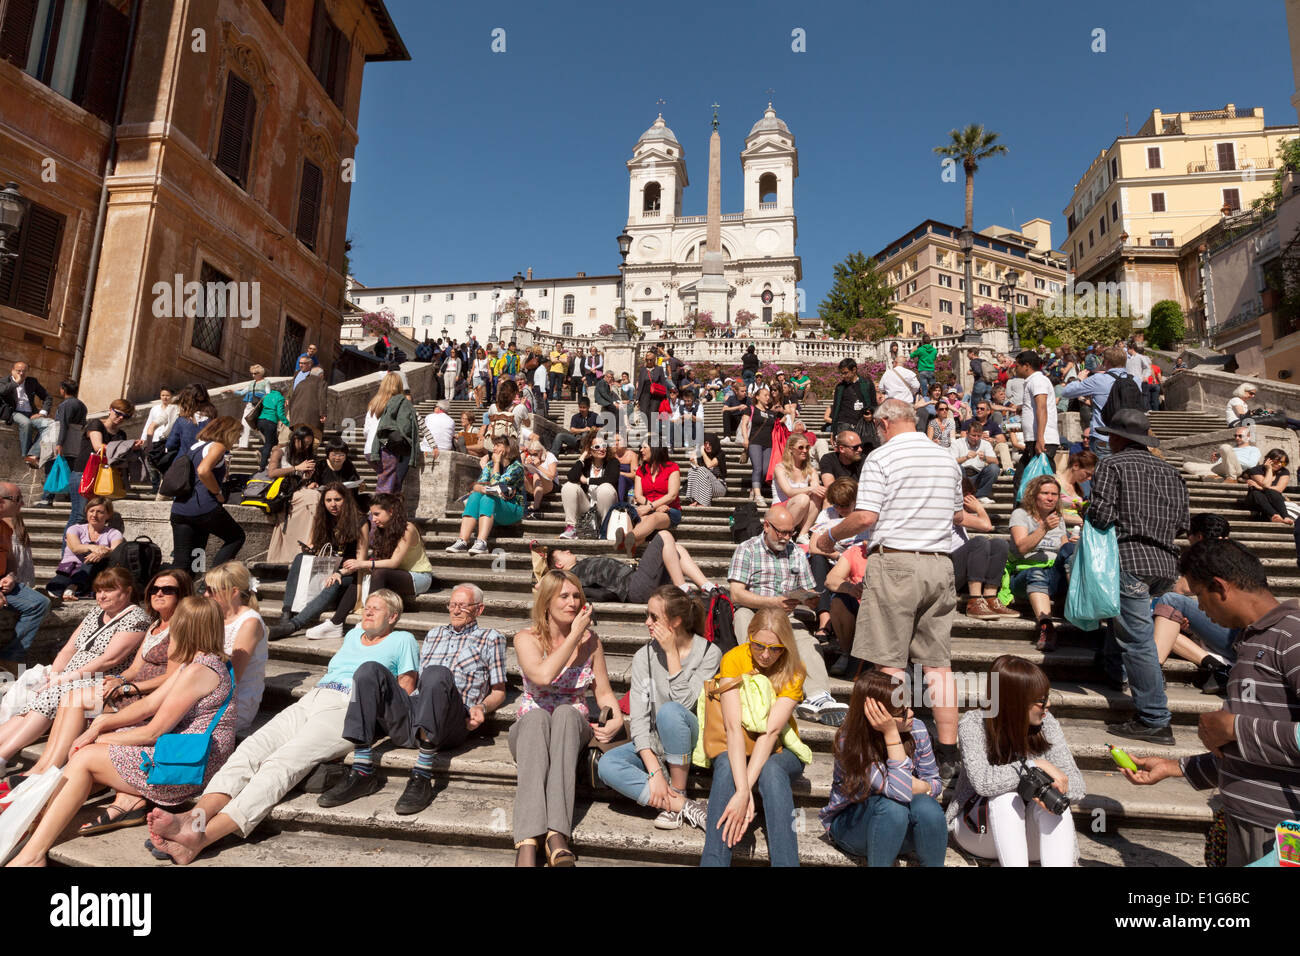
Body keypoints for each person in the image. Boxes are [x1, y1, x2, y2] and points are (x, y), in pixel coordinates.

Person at [143, 591, 419, 864]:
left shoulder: (402, 640)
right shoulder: (352, 635)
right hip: (315, 697)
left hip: (350, 706)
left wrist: (370, 725)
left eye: (376, 609)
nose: (367, 612)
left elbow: (403, 694)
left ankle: (203, 838)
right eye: (366, 607)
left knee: (281, 762)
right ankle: (194, 819)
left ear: (393, 616)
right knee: (251, 748)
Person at [7, 597, 237, 867]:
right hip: (179, 752)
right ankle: (36, 829)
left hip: (186, 767)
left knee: (85, 758)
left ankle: (33, 853)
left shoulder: (199, 669)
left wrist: (99, 738)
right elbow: (149, 704)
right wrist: (100, 725)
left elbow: (153, 731)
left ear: (187, 628)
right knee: (87, 745)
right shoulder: (197, 662)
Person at [1124, 539, 1300, 864]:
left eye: (1200, 596)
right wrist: (1176, 767)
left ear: (1220, 587)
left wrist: (1235, 727)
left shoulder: (1293, 636)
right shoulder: (1251, 642)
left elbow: (1241, 734)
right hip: (1246, 819)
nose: (1200, 610)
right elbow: (1248, 749)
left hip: (1283, 832)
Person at [815, 398, 963, 786]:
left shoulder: (882, 458)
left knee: (891, 663)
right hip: (940, 562)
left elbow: (865, 517)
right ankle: (948, 753)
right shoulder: (946, 457)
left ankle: (896, 741)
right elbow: (957, 514)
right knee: (938, 665)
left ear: (882, 425)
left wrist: (828, 535)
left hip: (897, 561)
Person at [319, 583, 507, 815]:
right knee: (369, 670)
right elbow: (415, 684)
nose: (456, 610)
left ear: (479, 610)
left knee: (437, 673)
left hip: (452, 719)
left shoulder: (491, 638)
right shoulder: (434, 634)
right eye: (452, 605)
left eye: (463, 606)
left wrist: (482, 707)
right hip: (416, 712)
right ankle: (362, 771)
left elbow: (499, 691)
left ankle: (421, 775)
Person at [22, 569, 193, 801]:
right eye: (154, 589)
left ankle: (49, 769)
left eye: (168, 590)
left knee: (79, 699)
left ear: (182, 595)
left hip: (150, 699)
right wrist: (119, 680)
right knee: (73, 696)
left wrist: (128, 688)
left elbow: (172, 678)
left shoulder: (181, 628)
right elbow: (134, 669)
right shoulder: (155, 625)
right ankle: (45, 766)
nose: (158, 593)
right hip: (131, 692)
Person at [1088, 409, 1189, 746]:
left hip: (1130, 557)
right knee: (1127, 623)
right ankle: (1109, 668)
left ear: (1119, 438)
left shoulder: (1112, 465)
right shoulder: (1171, 472)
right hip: (1165, 564)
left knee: (1137, 639)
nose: (1107, 440)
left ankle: (1155, 719)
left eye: (1110, 435)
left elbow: (1101, 516)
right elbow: (1183, 525)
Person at [510, 570, 623, 866]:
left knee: (564, 713)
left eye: (576, 596)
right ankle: (528, 841)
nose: (572, 602)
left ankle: (556, 833)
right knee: (537, 719)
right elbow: (544, 676)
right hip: (530, 731)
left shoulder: (591, 642)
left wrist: (617, 718)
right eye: (564, 596)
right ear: (546, 602)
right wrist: (574, 636)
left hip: (571, 727)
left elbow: (604, 693)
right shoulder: (526, 638)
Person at [0, 567, 148, 776]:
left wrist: (64, 679)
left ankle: (4, 755)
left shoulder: (136, 618)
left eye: (109, 590)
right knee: (36, 692)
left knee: (51, 694)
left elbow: (110, 659)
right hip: (71, 676)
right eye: (98, 591)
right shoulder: (97, 612)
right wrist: (55, 674)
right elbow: (70, 648)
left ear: (128, 591)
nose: (102, 596)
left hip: (98, 681)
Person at [597, 586, 719, 829]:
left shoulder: (709, 653)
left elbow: (686, 704)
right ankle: (680, 805)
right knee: (607, 765)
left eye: (654, 617)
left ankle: (678, 787)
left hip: (691, 744)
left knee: (671, 712)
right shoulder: (644, 656)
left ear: (676, 621)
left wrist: (672, 653)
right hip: (655, 744)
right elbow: (640, 719)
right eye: (647, 615)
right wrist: (653, 770)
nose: (647, 622)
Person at [946, 655, 1084, 867]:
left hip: (1031, 834)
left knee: (1053, 803)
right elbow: (984, 782)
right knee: (1005, 799)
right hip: (979, 829)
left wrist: (1051, 787)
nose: (1048, 704)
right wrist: (1033, 766)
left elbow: (1077, 787)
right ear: (1015, 701)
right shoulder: (974, 724)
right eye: (1041, 699)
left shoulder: (1047, 725)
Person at [699, 609, 813, 867]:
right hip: (736, 741)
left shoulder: (795, 668)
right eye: (759, 645)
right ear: (749, 636)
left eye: (775, 648)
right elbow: (732, 727)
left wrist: (743, 791)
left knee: (772, 771)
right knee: (728, 765)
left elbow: (771, 733)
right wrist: (742, 791)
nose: (765, 654)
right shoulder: (734, 659)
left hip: (780, 748)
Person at [729, 503, 847, 725]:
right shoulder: (747, 549)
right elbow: (736, 594)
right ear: (766, 526)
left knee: (806, 641)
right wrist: (773, 602)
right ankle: (759, 688)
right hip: (752, 611)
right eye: (780, 531)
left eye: (790, 532)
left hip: (786, 615)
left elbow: (810, 589)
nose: (785, 537)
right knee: (748, 628)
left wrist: (811, 599)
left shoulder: (796, 553)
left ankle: (817, 696)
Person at [820, 669, 946, 866]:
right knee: (893, 808)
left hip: (899, 829)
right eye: (902, 713)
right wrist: (891, 735)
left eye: (909, 707)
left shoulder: (917, 728)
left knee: (928, 808)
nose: (911, 714)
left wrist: (924, 787)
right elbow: (899, 793)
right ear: (876, 716)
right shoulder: (851, 741)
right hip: (854, 826)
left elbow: (934, 782)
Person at [317, 493, 435, 638]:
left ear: (391, 511)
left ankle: (366, 619)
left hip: (419, 577)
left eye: (377, 514)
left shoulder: (407, 529)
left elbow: (393, 563)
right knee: (362, 572)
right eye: (372, 515)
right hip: (396, 574)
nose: (374, 519)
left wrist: (361, 562)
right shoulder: (383, 530)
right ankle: (336, 622)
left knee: (379, 573)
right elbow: (377, 561)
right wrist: (341, 572)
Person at [271, 483, 364, 640]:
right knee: (300, 558)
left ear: (346, 500)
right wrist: (309, 550)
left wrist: (340, 572)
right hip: (325, 566)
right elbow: (313, 544)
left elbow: (360, 561)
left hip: (348, 572)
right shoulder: (322, 518)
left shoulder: (360, 522)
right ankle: (286, 613)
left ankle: (293, 625)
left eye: (337, 499)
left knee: (334, 580)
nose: (332, 504)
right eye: (328, 500)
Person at [541, 529, 717, 601]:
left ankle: (707, 586)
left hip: (635, 581)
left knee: (676, 548)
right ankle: (682, 587)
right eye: (562, 553)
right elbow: (551, 585)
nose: (568, 551)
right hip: (633, 586)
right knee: (663, 535)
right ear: (558, 564)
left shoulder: (580, 568)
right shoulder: (571, 577)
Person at [168, 416, 245, 572]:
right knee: (236, 537)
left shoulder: (195, 446)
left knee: (185, 559)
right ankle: (210, 582)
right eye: (238, 434)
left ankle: (181, 590)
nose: (237, 439)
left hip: (181, 509)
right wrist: (217, 492)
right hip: (204, 507)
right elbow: (203, 470)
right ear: (229, 432)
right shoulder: (218, 446)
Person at [204, 561, 268, 737]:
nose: (205, 594)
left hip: (234, 700)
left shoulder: (250, 622)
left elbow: (233, 676)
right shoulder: (215, 615)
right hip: (207, 689)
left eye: (212, 590)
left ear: (233, 592)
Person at [1008, 475, 1071, 650]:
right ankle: (1047, 627)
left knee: (1070, 550)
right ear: (1034, 495)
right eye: (1045, 493)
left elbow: (1064, 550)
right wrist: (1043, 528)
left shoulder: (1058, 518)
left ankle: (1073, 602)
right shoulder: (1020, 514)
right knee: (1036, 572)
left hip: (1053, 575)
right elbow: (1021, 547)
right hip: (1023, 576)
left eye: (1054, 494)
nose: (1050, 498)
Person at [0, 482, 50, 675]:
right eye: (17, 499)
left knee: (39, 603)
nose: (22, 504)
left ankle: (10, 658)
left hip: (4, 582)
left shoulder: (5, 528)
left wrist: (11, 575)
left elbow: (11, 559)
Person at [68, 398, 139, 532]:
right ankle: (68, 551)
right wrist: (127, 447)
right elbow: (98, 447)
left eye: (125, 416)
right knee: (79, 516)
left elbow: (119, 456)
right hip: (84, 474)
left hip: (103, 478)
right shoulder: (96, 424)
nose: (120, 418)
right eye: (118, 413)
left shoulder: (121, 434)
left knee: (96, 517)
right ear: (110, 410)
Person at [447, 435, 525, 554]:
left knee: (488, 497)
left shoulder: (516, 467)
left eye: (498, 445)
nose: (494, 448)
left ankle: (481, 542)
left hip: (513, 509)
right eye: (494, 445)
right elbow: (477, 485)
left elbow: (496, 484)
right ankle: (462, 540)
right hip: (493, 510)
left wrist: (497, 463)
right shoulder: (489, 465)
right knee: (474, 496)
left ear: (509, 448)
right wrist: (481, 489)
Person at [45, 496, 124, 600]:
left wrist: (103, 553)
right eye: (91, 511)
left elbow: (116, 551)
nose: (94, 515)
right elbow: (75, 548)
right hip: (70, 569)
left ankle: (73, 587)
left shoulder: (113, 533)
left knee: (93, 560)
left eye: (100, 512)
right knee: (56, 584)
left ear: (108, 515)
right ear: (87, 512)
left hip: (95, 571)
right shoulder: (74, 529)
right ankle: (60, 592)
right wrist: (95, 548)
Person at [1060, 346, 1131, 460]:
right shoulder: (1134, 380)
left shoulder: (1099, 379)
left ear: (1106, 362)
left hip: (1104, 437)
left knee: (1102, 474)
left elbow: (1067, 392)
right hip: (1128, 438)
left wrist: (1079, 379)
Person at [1011, 349, 1059, 492]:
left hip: (1041, 440)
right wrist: (1022, 408)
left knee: (1038, 484)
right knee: (1021, 481)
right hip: (1033, 440)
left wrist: (1040, 438)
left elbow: (1042, 407)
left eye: (1017, 365)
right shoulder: (1033, 381)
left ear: (1026, 365)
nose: (1015, 369)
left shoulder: (1037, 380)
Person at [38, 379, 87, 508]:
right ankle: (74, 500)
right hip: (75, 441)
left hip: (64, 439)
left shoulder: (66, 405)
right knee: (69, 469)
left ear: (63, 390)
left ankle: (46, 498)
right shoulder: (82, 405)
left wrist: (60, 443)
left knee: (52, 467)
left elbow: (63, 425)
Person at [367, 372, 418, 495]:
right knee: (386, 490)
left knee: (392, 486)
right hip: (387, 448)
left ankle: (392, 513)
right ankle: (376, 514)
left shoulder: (374, 402)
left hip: (370, 448)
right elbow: (404, 427)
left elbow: (366, 430)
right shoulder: (399, 402)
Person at [560, 435, 618, 539]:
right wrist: (582, 458)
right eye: (597, 447)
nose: (602, 449)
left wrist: (586, 480)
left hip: (605, 507)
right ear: (590, 450)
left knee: (605, 488)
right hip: (588, 508)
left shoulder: (613, 462)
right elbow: (571, 477)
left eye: (604, 445)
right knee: (569, 486)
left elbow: (611, 479)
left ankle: (605, 529)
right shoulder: (586, 464)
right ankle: (571, 528)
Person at [629, 441, 681, 553]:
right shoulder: (641, 470)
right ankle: (631, 548)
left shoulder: (672, 467)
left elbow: (672, 495)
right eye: (640, 448)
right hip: (649, 509)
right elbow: (638, 495)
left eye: (644, 447)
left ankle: (626, 538)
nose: (641, 450)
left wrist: (651, 507)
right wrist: (653, 507)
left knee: (653, 518)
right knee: (642, 521)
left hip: (670, 510)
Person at [772, 431, 824, 542]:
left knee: (817, 496)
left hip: (802, 511)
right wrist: (811, 488)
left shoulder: (810, 470)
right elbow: (789, 492)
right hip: (781, 510)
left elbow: (816, 489)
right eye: (800, 447)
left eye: (807, 447)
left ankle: (803, 534)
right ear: (790, 449)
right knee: (803, 498)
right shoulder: (780, 468)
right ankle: (786, 532)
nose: (805, 451)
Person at [1, 360, 53, 461]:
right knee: (26, 423)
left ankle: (33, 453)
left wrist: (42, 413)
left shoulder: (32, 382)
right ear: (12, 371)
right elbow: (2, 391)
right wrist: (16, 382)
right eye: (18, 371)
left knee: (51, 424)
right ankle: (26, 455)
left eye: (24, 371)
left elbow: (47, 397)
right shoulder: (4, 381)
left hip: (31, 414)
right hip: (14, 412)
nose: (21, 373)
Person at [739, 387, 778, 506]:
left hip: (769, 444)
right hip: (754, 442)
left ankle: (754, 487)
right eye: (765, 395)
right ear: (757, 396)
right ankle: (758, 495)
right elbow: (744, 424)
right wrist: (745, 439)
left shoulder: (771, 413)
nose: (768, 397)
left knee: (766, 470)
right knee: (758, 468)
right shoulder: (750, 409)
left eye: (768, 395)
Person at [1181, 425, 1260, 481]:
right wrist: (1222, 457)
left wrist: (1230, 457)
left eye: (1240, 436)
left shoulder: (1253, 449)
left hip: (1236, 469)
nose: (1237, 438)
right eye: (1235, 435)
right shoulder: (1232, 449)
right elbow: (1224, 460)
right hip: (1220, 467)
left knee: (1225, 447)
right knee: (1187, 465)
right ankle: (1215, 476)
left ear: (1248, 437)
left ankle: (1232, 478)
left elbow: (1251, 465)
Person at [141, 385, 179, 493]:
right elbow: (149, 424)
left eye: (167, 395)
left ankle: (163, 486)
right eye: (162, 395)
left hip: (166, 441)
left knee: (164, 463)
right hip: (153, 440)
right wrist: (144, 439)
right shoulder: (155, 409)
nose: (165, 398)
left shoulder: (175, 409)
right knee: (150, 462)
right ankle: (155, 484)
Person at [951, 420, 999, 503]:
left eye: (978, 436)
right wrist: (966, 457)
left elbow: (996, 461)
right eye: (973, 435)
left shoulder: (985, 444)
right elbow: (951, 461)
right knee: (957, 466)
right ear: (967, 433)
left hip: (978, 475)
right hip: (963, 474)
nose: (976, 438)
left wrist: (984, 458)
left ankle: (981, 495)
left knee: (994, 468)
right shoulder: (957, 443)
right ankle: (963, 494)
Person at [1242, 448, 1293, 525]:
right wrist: (1269, 469)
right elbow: (1266, 485)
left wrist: (1259, 487)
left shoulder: (1284, 472)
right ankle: (1275, 515)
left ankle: (1285, 516)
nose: (1279, 465)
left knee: (1272, 492)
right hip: (1254, 501)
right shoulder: (1256, 470)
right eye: (1277, 461)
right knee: (1256, 493)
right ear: (1269, 459)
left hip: (1273, 500)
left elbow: (1279, 489)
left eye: (1283, 463)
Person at [684, 432, 728, 507]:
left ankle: (705, 503)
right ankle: (695, 500)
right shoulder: (701, 456)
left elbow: (709, 465)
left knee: (701, 469)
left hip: (720, 487)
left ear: (714, 444)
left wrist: (702, 452)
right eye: (705, 443)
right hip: (706, 488)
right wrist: (694, 463)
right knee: (692, 470)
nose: (707, 446)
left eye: (709, 444)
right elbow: (700, 472)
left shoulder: (720, 454)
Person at [289, 356, 328, 440]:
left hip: (296, 417)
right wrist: (323, 414)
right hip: (312, 417)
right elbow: (322, 398)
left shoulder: (300, 383)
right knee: (315, 440)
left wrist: (292, 415)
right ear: (321, 375)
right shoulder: (321, 383)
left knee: (298, 440)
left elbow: (292, 399)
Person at [521, 435, 559, 519]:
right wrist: (526, 468)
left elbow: (551, 476)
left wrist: (538, 466)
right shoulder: (531, 457)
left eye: (535, 454)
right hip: (535, 485)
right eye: (531, 453)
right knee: (521, 473)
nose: (532, 455)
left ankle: (536, 506)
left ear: (541, 451)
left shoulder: (550, 456)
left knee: (536, 474)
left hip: (550, 484)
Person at [1055, 449, 1097, 526]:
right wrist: (1081, 520)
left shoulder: (1078, 487)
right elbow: (1051, 514)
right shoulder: (1055, 483)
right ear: (1076, 466)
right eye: (1087, 474)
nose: (1089, 478)